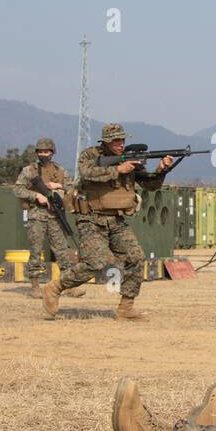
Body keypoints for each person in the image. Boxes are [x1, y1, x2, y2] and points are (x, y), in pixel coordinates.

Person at [41, 123, 174, 320]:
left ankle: (126, 307)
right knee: (96, 262)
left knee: (136, 256)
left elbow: (150, 185)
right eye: (116, 141)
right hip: (90, 219)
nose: (120, 144)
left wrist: (161, 170)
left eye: (122, 140)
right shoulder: (90, 155)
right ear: (106, 142)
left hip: (116, 219)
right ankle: (55, 287)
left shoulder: (130, 159)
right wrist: (118, 170)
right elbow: (87, 174)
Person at [12, 137, 86, 298]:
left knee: (61, 251)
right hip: (37, 215)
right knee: (36, 250)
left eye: (46, 151)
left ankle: (68, 285)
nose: (43, 154)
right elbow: (17, 190)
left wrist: (57, 186)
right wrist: (36, 195)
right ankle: (35, 286)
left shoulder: (60, 171)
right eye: (40, 151)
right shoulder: (29, 170)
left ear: (52, 152)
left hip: (55, 216)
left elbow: (72, 189)